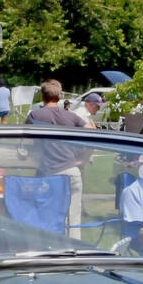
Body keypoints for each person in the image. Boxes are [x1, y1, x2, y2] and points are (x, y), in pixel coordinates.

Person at [25, 79, 93, 237]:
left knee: (45, 219)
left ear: (43, 96)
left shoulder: (35, 115)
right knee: (73, 222)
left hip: (48, 174)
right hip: (71, 171)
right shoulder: (71, 116)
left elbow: (26, 142)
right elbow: (92, 133)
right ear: (60, 95)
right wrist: (82, 159)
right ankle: (74, 255)